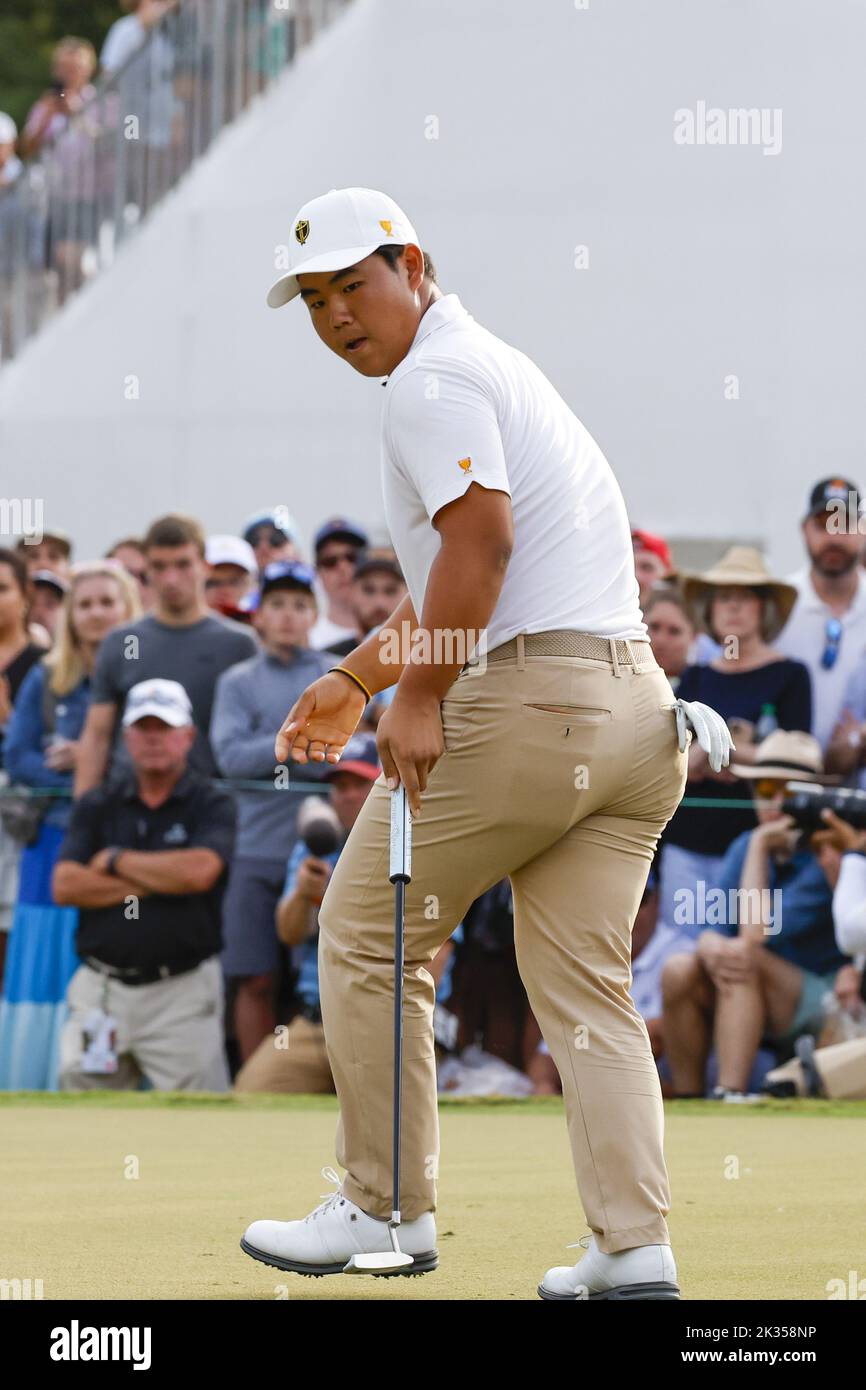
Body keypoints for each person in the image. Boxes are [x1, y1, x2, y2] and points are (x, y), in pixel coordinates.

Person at [239, 186, 731, 1299]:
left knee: (367, 933)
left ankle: (383, 1208)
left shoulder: (432, 380)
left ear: (412, 263)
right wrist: (353, 678)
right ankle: (630, 1245)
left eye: (352, 286)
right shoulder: (487, 364)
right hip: (629, 715)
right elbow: (469, 572)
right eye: (312, 300)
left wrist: (414, 696)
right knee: (587, 989)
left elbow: (482, 544)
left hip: (534, 704)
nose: (335, 319)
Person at [53, 678, 236, 1091]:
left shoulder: (212, 802)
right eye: (144, 728)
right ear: (126, 738)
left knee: (200, 1119)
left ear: (187, 736)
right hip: (101, 989)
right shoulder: (97, 803)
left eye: (165, 728)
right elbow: (65, 886)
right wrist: (158, 881)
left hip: (182, 992)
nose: (154, 739)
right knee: (80, 1107)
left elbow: (199, 873)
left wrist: (116, 862)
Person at [0, 561, 140, 1088]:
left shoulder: (142, 672)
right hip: (53, 841)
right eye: (85, 604)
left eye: (108, 602)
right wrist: (76, 771)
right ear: (69, 616)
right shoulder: (47, 676)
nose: (96, 613)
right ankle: (35, 1081)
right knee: (45, 960)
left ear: (127, 609)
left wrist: (87, 757)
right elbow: (18, 757)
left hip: (123, 840)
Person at [661, 731, 851, 1100]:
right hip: (754, 990)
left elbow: (754, 934)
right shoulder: (745, 844)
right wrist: (709, 943)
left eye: (789, 790)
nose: (774, 801)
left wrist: (761, 845)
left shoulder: (824, 848)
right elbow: (714, 926)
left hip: (828, 1002)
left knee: (743, 956)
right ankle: (689, 1099)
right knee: (679, 970)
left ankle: (728, 1092)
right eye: (765, 787)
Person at [210, 561, 334, 1062]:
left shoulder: (337, 673)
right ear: (259, 615)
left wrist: (284, 748)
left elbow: (355, 754)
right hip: (256, 848)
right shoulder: (237, 681)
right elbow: (230, 758)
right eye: (277, 604)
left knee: (323, 977)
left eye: (300, 605)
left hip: (324, 850)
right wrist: (304, 741)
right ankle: (256, 1087)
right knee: (256, 976)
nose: (288, 616)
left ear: (315, 615)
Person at [658, 547, 811, 932]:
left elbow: (798, 760)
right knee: (682, 947)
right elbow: (670, 757)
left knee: (740, 952)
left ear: (764, 609)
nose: (733, 607)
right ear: (709, 609)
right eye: (724, 597)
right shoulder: (695, 678)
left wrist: (720, 750)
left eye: (745, 597)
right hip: (688, 839)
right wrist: (718, 754)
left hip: (753, 842)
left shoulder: (790, 675)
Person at [234, 734, 378, 1093]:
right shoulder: (317, 846)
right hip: (319, 1023)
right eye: (339, 786)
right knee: (253, 1090)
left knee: (391, 1116)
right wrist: (304, 894)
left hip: (388, 1022)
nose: (347, 795)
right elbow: (289, 933)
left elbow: (441, 948)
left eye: (360, 784)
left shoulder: (412, 845)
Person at [74, 514, 258, 795]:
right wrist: (83, 822)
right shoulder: (121, 642)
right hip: (129, 807)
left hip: (209, 809)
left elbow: (252, 739)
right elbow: (97, 737)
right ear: (146, 570)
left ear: (205, 567)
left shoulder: (239, 645)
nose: (171, 579)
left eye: (183, 564)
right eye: (159, 566)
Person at [776, 478, 866, 751]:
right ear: (805, 530)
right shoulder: (778, 603)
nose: (833, 537)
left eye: (844, 524)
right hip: (779, 781)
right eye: (823, 524)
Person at [326, 551, 407, 659]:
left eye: (390, 591)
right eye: (368, 590)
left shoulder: (427, 659)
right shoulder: (327, 663)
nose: (380, 602)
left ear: (407, 593)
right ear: (351, 592)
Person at [308, 517, 368, 650]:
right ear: (317, 572)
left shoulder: (398, 635)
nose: (343, 567)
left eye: (352, 557)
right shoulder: (309, 643)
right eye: (330, 561)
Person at [643, 590, 695, 691]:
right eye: (654, 627)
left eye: (674, 631)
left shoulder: (705, 688)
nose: (661, 640)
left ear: (693, 637)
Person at [204, 535, 258, 620]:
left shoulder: (263, 627)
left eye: (234, 582)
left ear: (251, 584)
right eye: (212, 583)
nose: (225, 591)